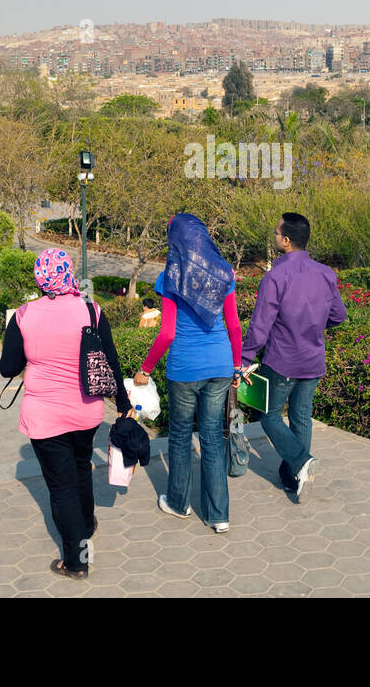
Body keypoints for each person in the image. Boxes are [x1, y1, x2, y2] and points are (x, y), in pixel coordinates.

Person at [0, 248, 134, 579]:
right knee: (81, 468)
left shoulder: (24, 314)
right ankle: (87, 525)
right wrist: (124, 404)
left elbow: (7, 368)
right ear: (68, 272)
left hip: (45, 417)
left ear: (40, 278)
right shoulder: (90, 309)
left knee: (61, 487)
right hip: (86, 412)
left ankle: (76, 561)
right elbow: (111, 361)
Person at [134, 214, 243, 533]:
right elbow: (234, 325)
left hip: (184, 369)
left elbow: (167, 333)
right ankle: (219, 515)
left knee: (181, 436)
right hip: (221, 365)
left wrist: (145, 369)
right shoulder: (225, 272)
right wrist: (237, 365)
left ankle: (179, 503)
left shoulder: (171, 277)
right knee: (211, 435)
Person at [240, 212, 346, 502]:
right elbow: (339, 315)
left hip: (283, 360)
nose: (274, 236)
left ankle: (301, 462)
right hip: (313, 360)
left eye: (276, 233)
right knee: (301, 417)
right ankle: (291, 478)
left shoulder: (275, 277)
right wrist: (315, 324)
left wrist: (244, 359)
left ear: (286, 241)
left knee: (269, 416)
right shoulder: (326, 274)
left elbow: (260, 325)